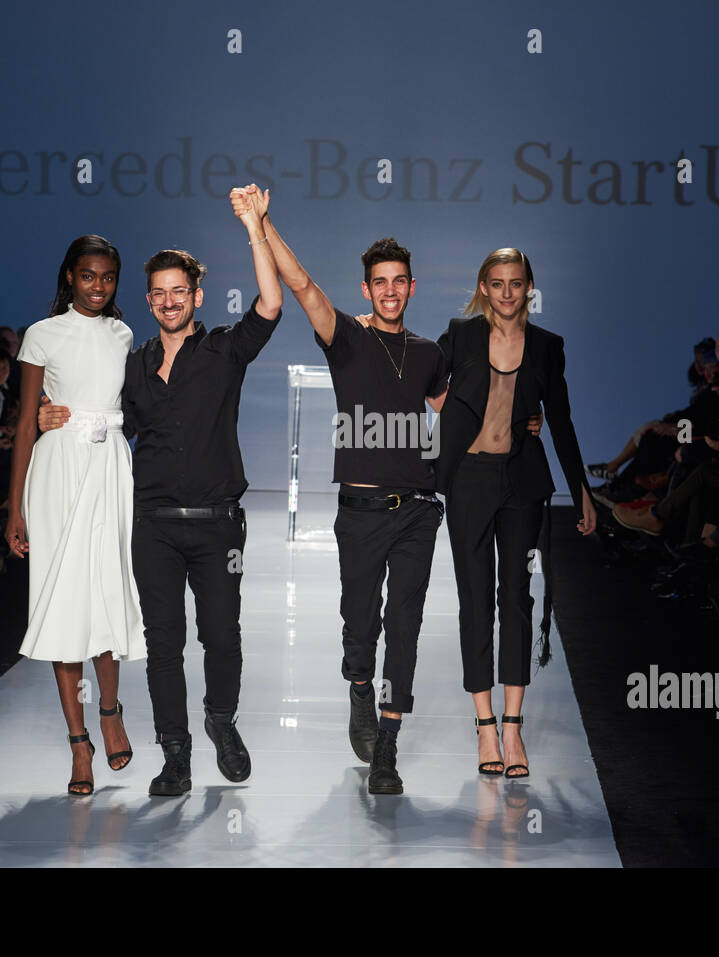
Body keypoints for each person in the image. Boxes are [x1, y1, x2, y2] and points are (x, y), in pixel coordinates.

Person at [38, 193, 282, 797]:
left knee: (222, 636)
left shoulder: (226, 349)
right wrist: (49, 415)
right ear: (148, 301)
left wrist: (255, 227)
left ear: (197, 296)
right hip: (153, 524)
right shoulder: (135, 362)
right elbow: (97, 412)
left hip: (219, 521)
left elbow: (272, 304)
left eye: (180, 291)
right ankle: (176, 754)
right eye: (158, 293)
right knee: (163, 645)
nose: (169, 301)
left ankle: (221, 721)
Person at [250, 185, 454, 795]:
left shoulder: (430, 354)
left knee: (407, 621)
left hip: (418, 510)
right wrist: (263, 224)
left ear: (411, 287)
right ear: (367, 289)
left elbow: (450, 420)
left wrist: (515, 425)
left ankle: (387, 749)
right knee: (360, 622)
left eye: (400, 281)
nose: (390, 291)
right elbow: (303, 286)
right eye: (380, 282)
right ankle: (359, 687)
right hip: (361, 510)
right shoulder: (348, 338)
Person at [434, 248, 596, 778]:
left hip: (522, 482)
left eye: (516, 282)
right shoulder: (460, 335)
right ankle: (484, 728)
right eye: (497, 283)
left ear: (529, 286)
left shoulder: (549, 347)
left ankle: (514, 726)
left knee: (518, 599)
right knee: (475, 598)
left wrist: (584, 490)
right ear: (483, 286)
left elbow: (565, 420)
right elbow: (422, 375)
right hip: (470, 480)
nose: (507, 292)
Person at [5, 235, 143, 797]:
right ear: (68, 276)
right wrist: (13, 508)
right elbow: (22, 425)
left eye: (108, 277)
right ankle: (78, 743)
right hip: (58, 470)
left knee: (106, 592)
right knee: (63, 605)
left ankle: (110, 710)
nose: (98, 286)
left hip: (109, 464)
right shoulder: (42, 335)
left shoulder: (124, 334)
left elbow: (127, 409)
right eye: (88, 276)